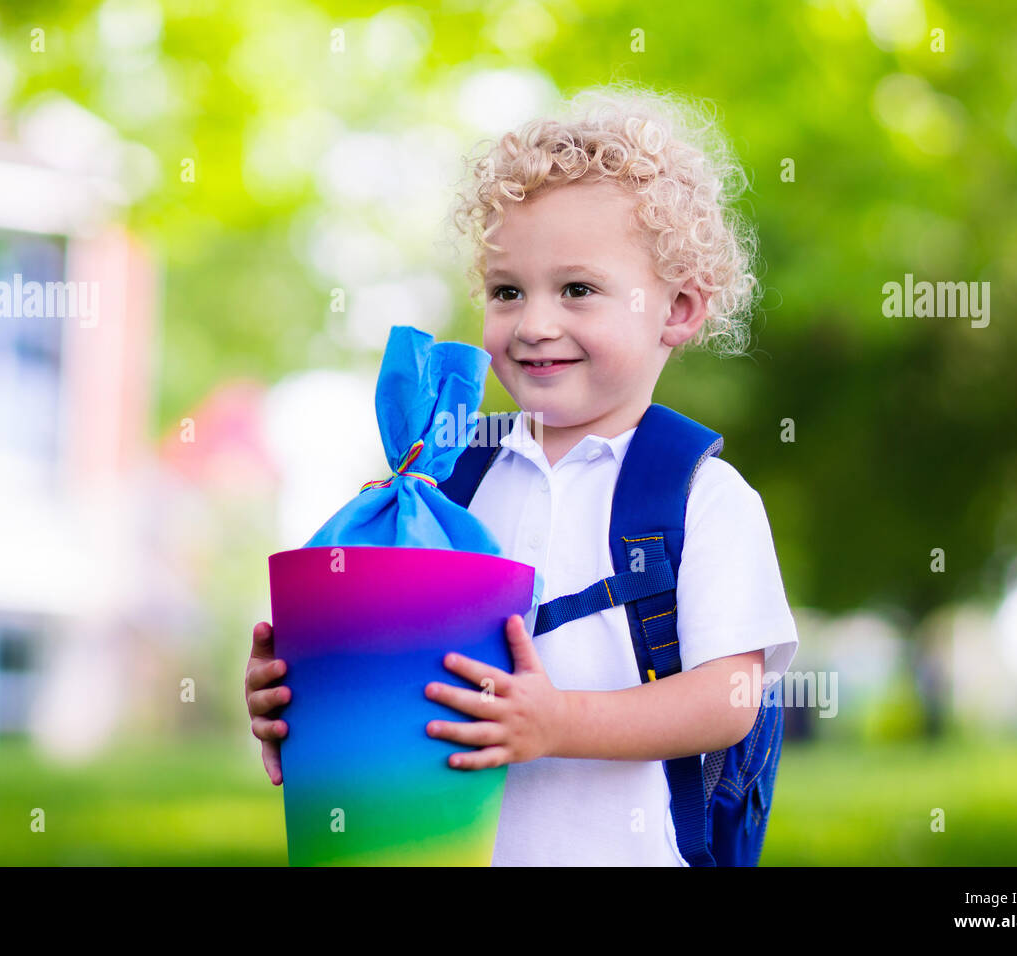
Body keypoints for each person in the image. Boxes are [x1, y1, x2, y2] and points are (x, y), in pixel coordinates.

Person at [245, 83, 800, 865]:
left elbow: (729, 700)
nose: (534, 324)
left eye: (577, 289)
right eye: (509, 291)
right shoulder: (444, 487)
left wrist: (556, 722)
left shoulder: (701, 498)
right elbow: (387, 667)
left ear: (677, 309)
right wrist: (299, 693)